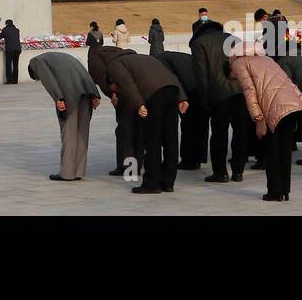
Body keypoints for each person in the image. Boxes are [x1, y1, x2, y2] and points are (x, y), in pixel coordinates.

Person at [230, 47, 302, 202]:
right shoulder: (267, 59)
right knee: (285, 151)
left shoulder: (239, 63)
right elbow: (287, 81)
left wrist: (259, 119)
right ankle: (285, 190)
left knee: (272, 152)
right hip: (293, 106)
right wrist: (301, 100)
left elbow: (250, 92)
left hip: (274, 110)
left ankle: (274, 192)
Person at [105, 51, 189, 194]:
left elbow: (127, 83)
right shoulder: (145, 59)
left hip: (155, 95)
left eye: (115, 90)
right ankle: (168, 183)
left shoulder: (114, 66)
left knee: (152, 140)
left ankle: (152, 183)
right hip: (172, 90)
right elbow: (170, 76)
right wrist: (182, 97)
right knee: (171, 139)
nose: (118, 92)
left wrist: (139, 104)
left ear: (112, 80)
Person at [190, 18, 250, 183]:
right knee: (241, 132)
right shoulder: (233, 38)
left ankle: (220, 172)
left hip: (218, 95)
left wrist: (205, 101)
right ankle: (238, 171)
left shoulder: (199, 43)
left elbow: (201, 75)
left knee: (219, 134)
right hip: (240, 91)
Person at [28, 52, 101, 181]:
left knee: (69, 133)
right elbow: (85, 73)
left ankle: (67, 173)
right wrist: (95, 94)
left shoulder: (36, 61)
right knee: (82, 133)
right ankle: (78, 171)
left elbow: (48, 79)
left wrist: (58, 98)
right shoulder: (67, 57)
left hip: (69, 95)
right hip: (87, 93)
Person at [88, 46, 141, 176]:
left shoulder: (94, 60)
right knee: (137, 128)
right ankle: (137, 165)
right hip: (139, 88)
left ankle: (128, 168)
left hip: (125, 92)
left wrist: (112, 94)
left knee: (125, 130)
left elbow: (102, 80)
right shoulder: (122, 54)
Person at [155, 49, 207, 169]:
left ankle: (189, 161)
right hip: (202, 85)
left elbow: (172, 83)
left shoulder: (160, 63)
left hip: (190, 90)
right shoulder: (168, 58)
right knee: (200, 124)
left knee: (189, 125)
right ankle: (197, 158)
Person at [0, 19, 22, 84]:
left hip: (10, 49)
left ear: (6, 24)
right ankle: (15, 80)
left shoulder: (5, 30)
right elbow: (12, 36)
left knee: (8, 65)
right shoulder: (17, 30)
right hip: (18, 49)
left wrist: (2, 31)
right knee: (15, 65)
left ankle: (10, 80)